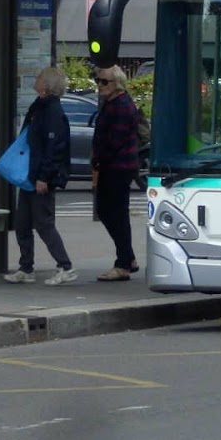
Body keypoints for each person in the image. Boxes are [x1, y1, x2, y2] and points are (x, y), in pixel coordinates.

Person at [4, 67, 76, 285]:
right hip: (30, 175)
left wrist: (44, 177)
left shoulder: (52, 111)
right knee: (22, 223)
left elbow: (54, 148)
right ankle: (26, 268)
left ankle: (65, 266)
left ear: (46, 86)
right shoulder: (41, 106)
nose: (35, 81)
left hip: (40, 176)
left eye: (39, 78)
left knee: (44, 223)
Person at [90, 65, 145, 280]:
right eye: (98, 81)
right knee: (111, 212)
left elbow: (114, 140)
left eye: (105, 81)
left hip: (117, 166)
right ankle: (127, 258)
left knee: (114, 212)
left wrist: (98, 160)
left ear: (117, 83)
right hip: (115, 165)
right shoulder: (113, 103)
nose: (100, 85)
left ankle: (124, 262)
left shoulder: (121, 105)